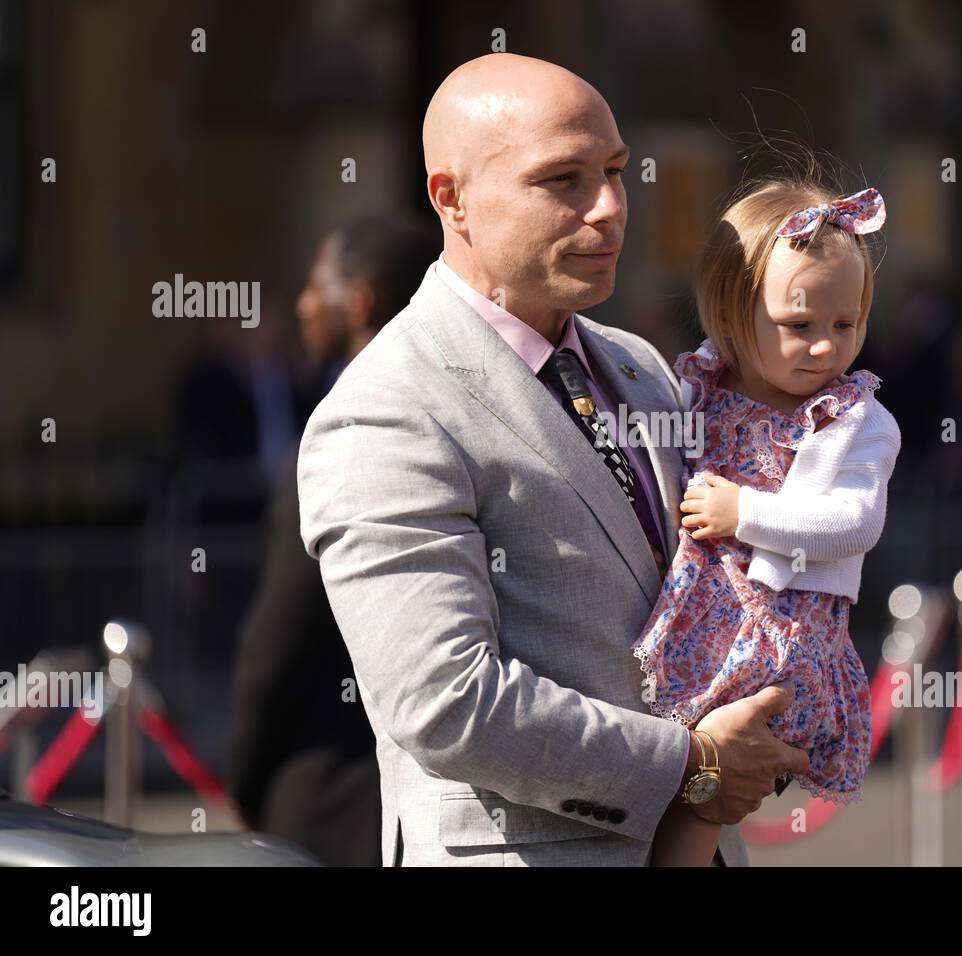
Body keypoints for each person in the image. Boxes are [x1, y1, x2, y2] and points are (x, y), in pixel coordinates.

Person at [296, 53, 810, 867]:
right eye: (562, 180)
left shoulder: (639, 365)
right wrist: (695, 766)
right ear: (451, 198)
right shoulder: (387, 408)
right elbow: (446, 703)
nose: (608, 207)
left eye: (615, 171)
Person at [634, 180, 902, 865]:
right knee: (662, 772)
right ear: (733, 312)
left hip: (776, 632)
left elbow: (854, 522)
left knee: (710, 790)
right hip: (695, 615)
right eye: (799, 325)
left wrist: (745, 512)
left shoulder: (852, 418)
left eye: (845, 325)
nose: (825, 347)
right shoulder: (697, 388)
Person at [228, 214, 435, 866]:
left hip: (332, 801)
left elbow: (277, 644)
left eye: (318, 285)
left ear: (361, 300)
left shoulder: (344, 433)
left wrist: (243, 774)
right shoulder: (449, 420)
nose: (303, 305)